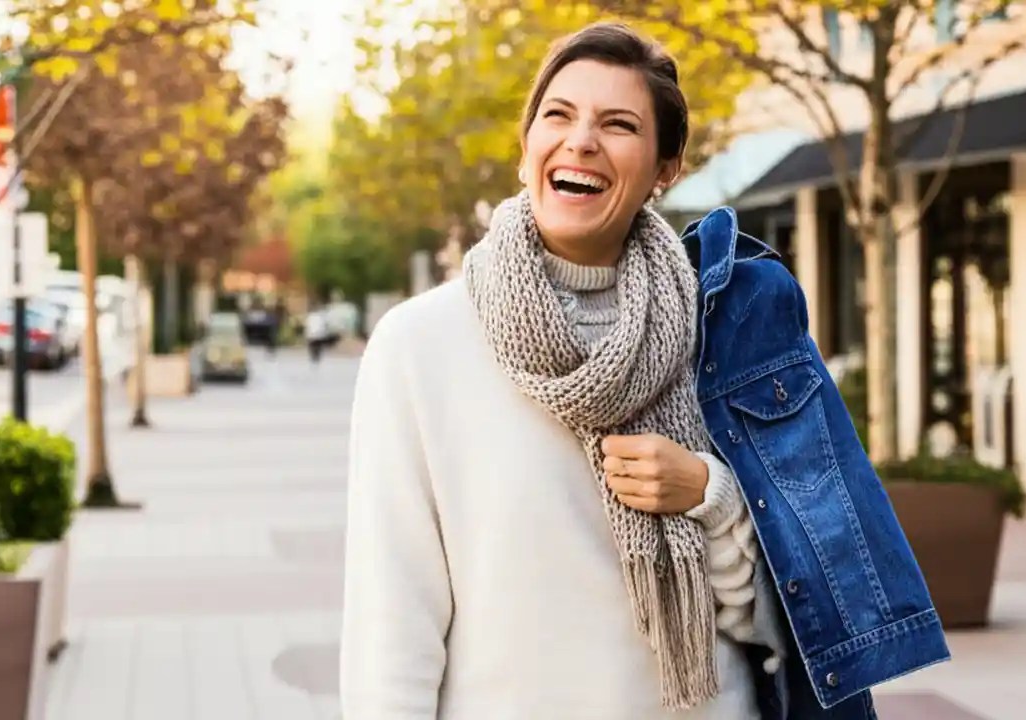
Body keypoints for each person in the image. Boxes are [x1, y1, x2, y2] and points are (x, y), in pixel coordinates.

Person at [342, 22, 948, 720]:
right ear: (527, 147)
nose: (581, 141)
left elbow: (800, 619)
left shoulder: (724, 327)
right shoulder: (421, 346)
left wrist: (711, 494)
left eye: (619, 124)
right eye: (558, 115)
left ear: (665, 170)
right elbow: (391, 626)